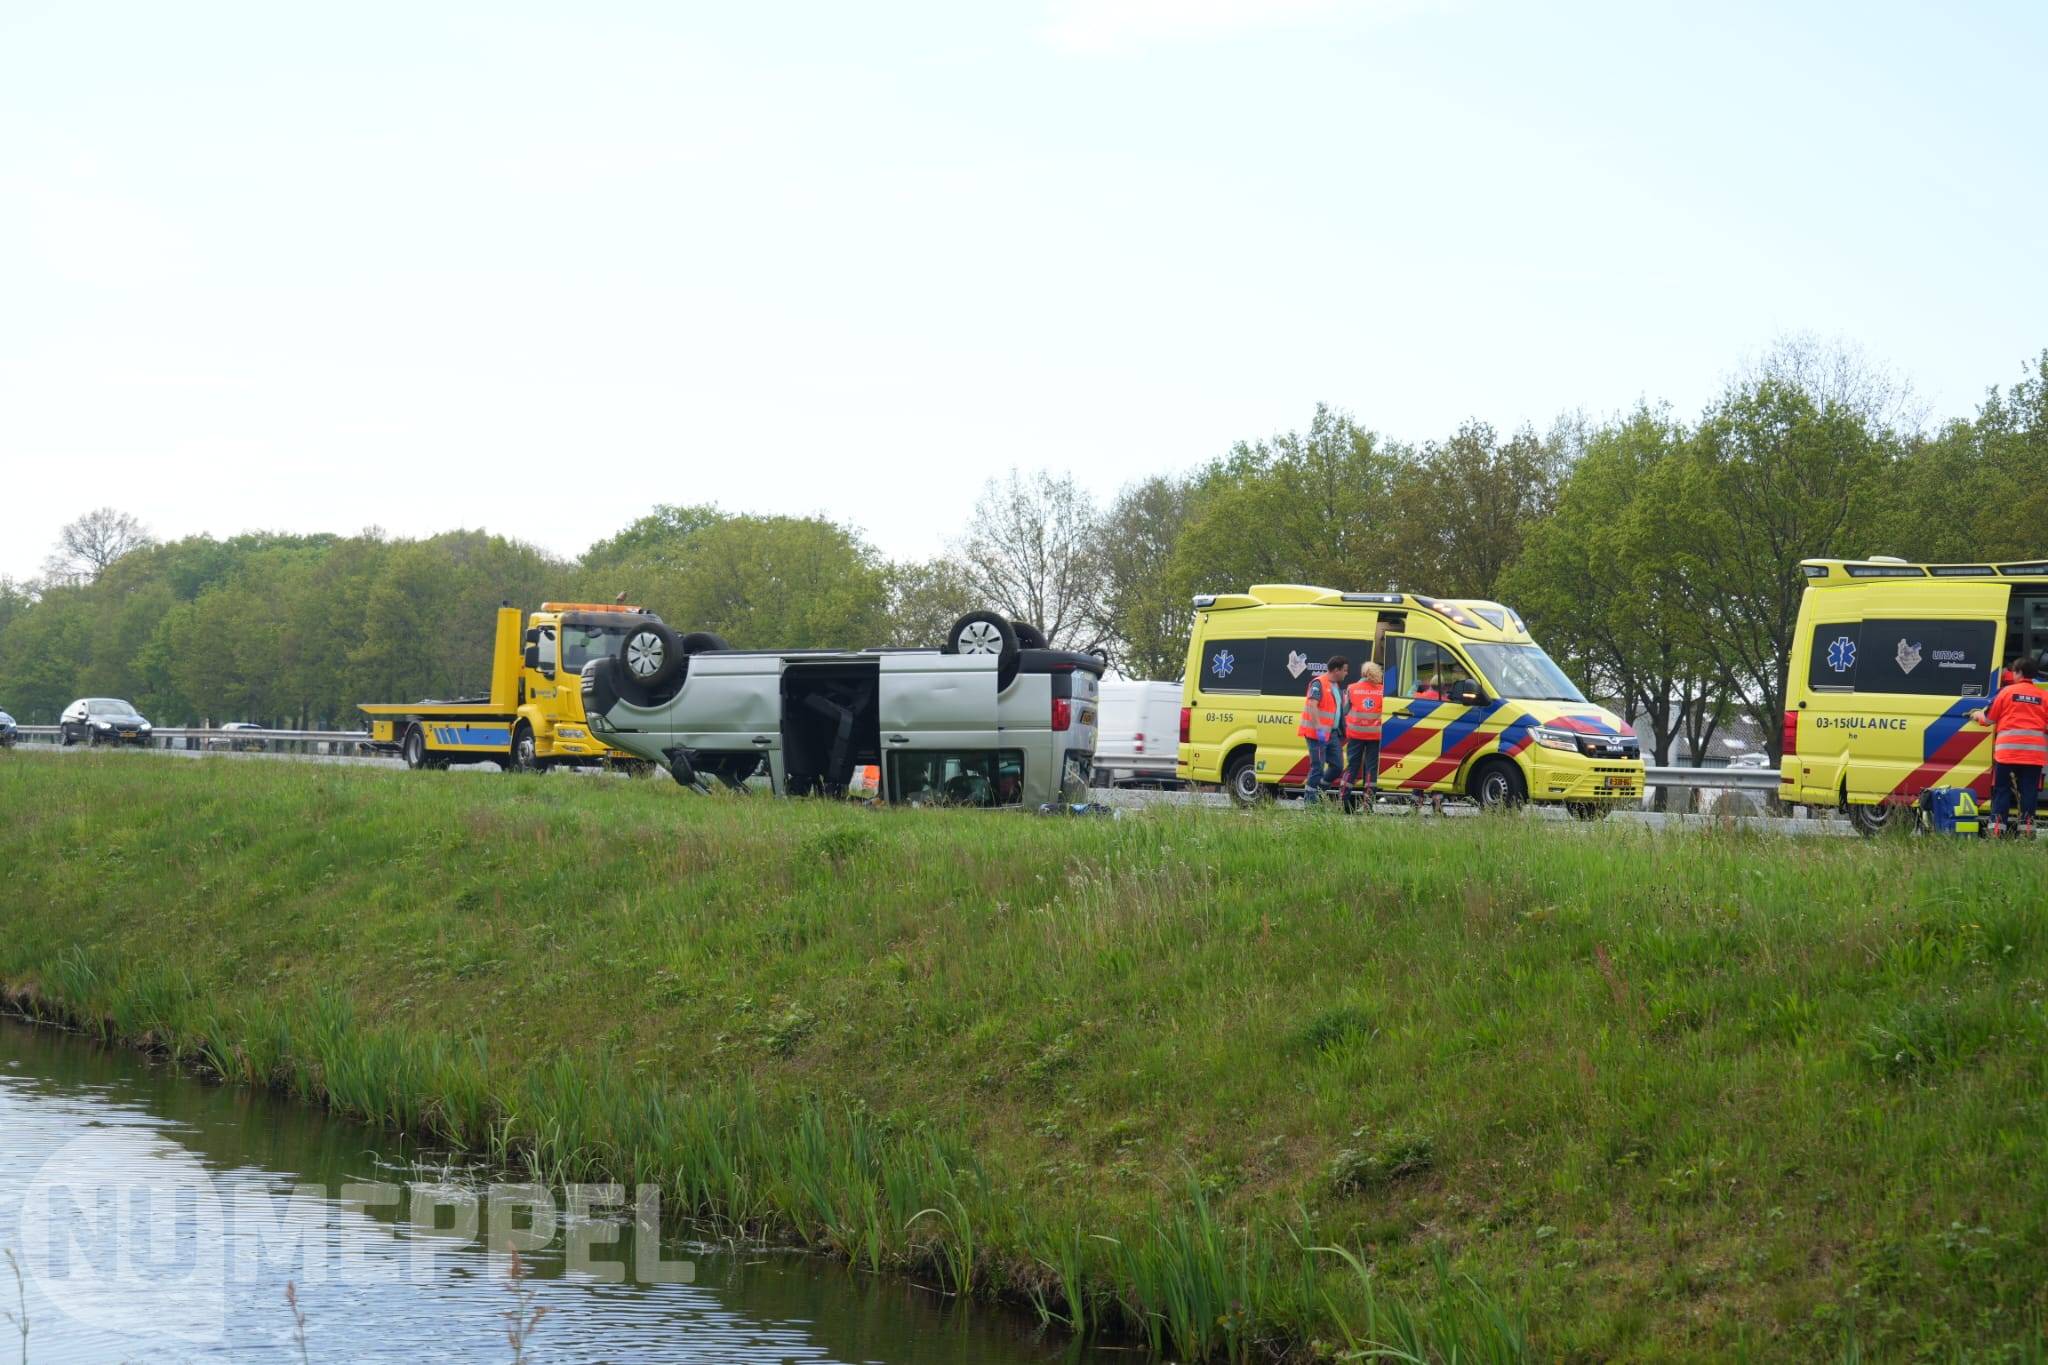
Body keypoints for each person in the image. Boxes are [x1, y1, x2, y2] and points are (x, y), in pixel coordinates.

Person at [1970, 657, 2048, 837]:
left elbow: (1988, 719)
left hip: (2007, 754)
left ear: (2018, 672)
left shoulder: (2006, 693)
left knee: (2002, 790)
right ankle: (2027, 829)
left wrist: (1975, 714)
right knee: (2028, 791)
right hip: (2034, 755)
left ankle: (1997, 829)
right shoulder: (2043, 696)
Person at [1298, 655, 1348, 804]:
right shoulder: (1318, 683)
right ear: (1336, 670)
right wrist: (1318, 728)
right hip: (1317, 735)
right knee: (1317, 768)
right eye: (1345, 670)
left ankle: (1319, 793)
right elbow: (1312, 704)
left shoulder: (1336, 686)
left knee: (1338, 766)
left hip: (1331, 734)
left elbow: (1336, 711)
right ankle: (1310, 804)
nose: (1347, 673)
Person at [1341, 661, 1385, 812]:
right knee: (1371, 769)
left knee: (1352, 767)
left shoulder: (1351, 688)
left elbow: (1344, 711)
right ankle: (1368, 805)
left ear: (1362, 673)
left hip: (1355, 734)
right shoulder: (1382, 691)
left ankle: (1343, 800)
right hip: (1375, 735)